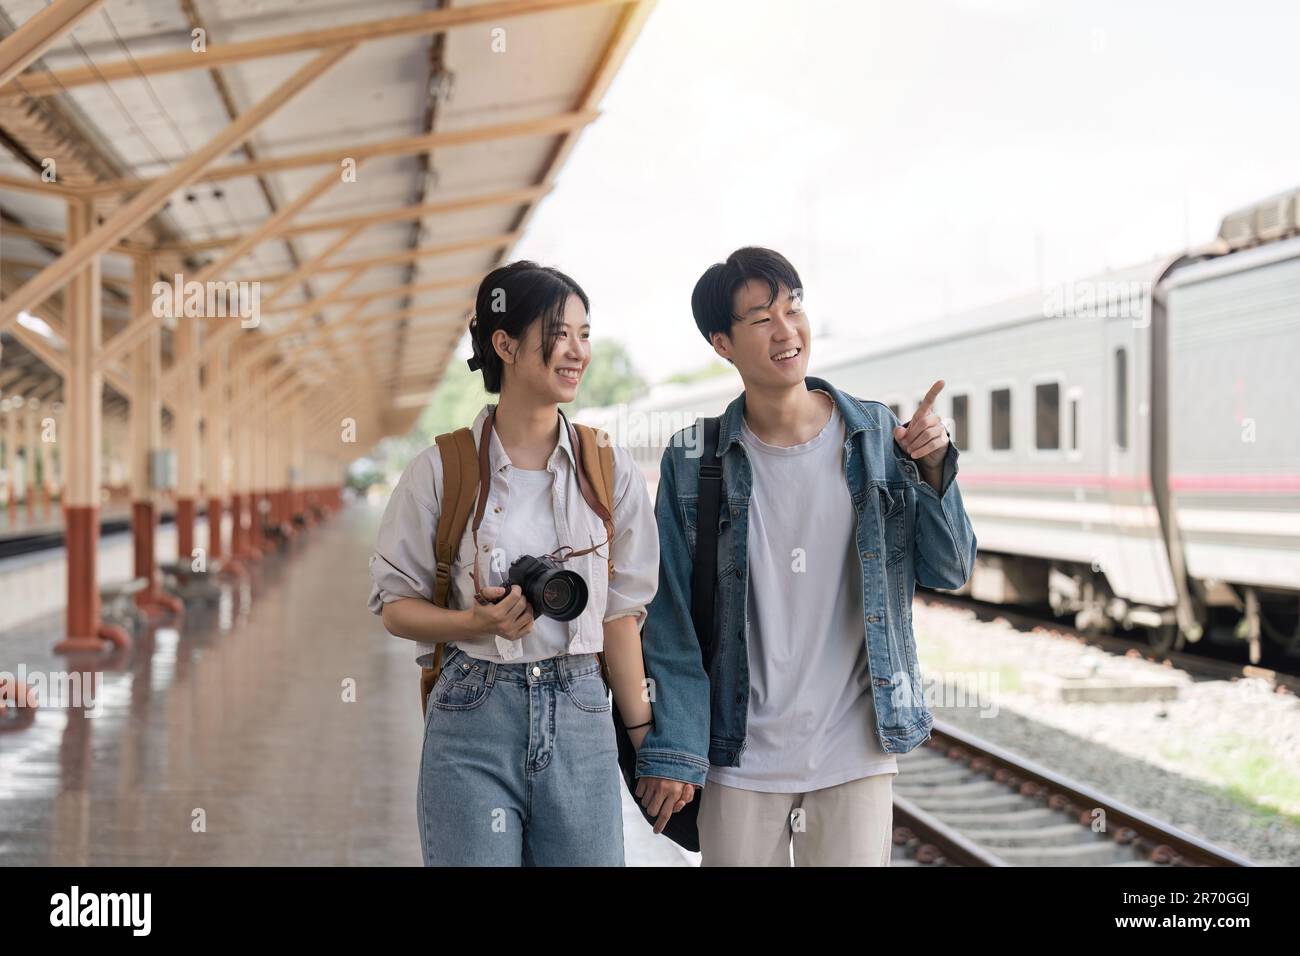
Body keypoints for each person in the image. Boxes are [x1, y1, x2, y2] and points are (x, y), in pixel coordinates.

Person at [636, 246, 978, 865]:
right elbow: (671, 623)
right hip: (738, 756)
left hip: (855, 752)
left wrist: (934, 470)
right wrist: (677, 747)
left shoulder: (878, 439)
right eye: (762, 318)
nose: (786, 329)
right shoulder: (692, 460)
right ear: (722, 343)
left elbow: (951, 569)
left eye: (794, 307)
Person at [367, 261, 665, 866]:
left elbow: (621, 617)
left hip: (582, 710)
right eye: (559, 332)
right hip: (473, 711)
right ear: (504, 344)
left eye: (585, 333)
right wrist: (475, 624)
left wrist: (644, 740)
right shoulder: (440, 470)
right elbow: (395, 608)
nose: (577, 350)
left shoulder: (608, 468)